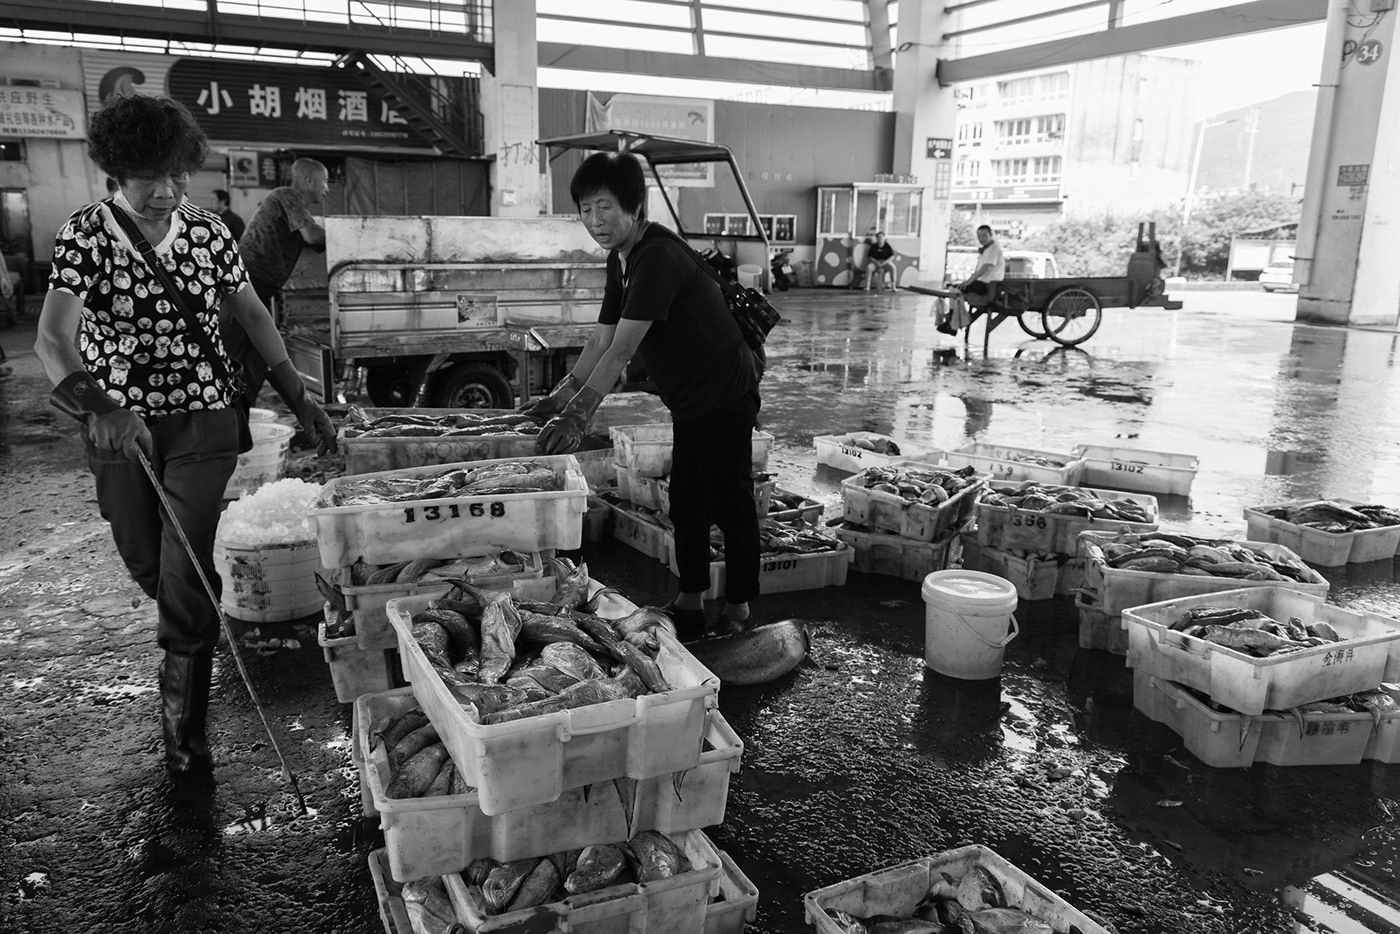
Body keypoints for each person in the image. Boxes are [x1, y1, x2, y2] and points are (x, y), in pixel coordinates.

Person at [33, 94, 337, 777]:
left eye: (178, 175)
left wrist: (301, 398)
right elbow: (53, 339)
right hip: (123, 432)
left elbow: (254, 317)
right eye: (151, 177)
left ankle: (186, 735)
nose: (168, 192)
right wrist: (99, 407)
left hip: (205, 418)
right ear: (116, 171)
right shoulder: (86, 234)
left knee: (187, 564)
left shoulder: (206, 233)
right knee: (148, 561)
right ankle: (188, 626)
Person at [523, 151, 763, 638]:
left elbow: (622, 351)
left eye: (604, 207)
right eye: (586, 210)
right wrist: (561, 395)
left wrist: (579, 415)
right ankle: (691, 601)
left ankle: (739, 609)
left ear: (634, 206)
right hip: (689, 401)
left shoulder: (656, 257)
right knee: (687, 502)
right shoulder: (623, 258)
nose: (595, 221)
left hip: (724, 395)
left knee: (731, 502)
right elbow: (600, 339)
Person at [234, 157, 328, 406]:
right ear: (309, 180)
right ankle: (227, 422)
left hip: (256, 289)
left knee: (254, 362)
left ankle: (244, 420)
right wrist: (347, 236)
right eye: (324, 182)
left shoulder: (291, 205)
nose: (326, 189)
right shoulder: (288, 195)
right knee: (237, 357)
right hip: (244, 288)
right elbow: (311, 235)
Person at [959, 224, 1005, 300]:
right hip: (983, 283)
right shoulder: (986, 249)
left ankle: (956, 311)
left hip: (989, 285)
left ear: (991, 235)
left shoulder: (993, 248)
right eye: (979, 236)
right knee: (955, 287)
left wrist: (969, 281)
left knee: (957, 289)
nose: (981, 238)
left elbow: (987, 267)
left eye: (984, 235)